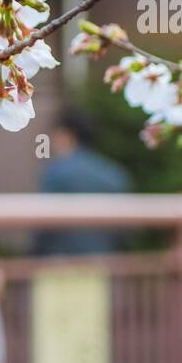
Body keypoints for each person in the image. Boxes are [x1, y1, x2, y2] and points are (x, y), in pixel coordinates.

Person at [36, 109, 133, 255]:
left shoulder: (56, 172)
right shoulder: (115, 175)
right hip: (104, 266)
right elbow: (124, 233)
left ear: (65, 135)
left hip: (59, 269)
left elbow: (42, 227)